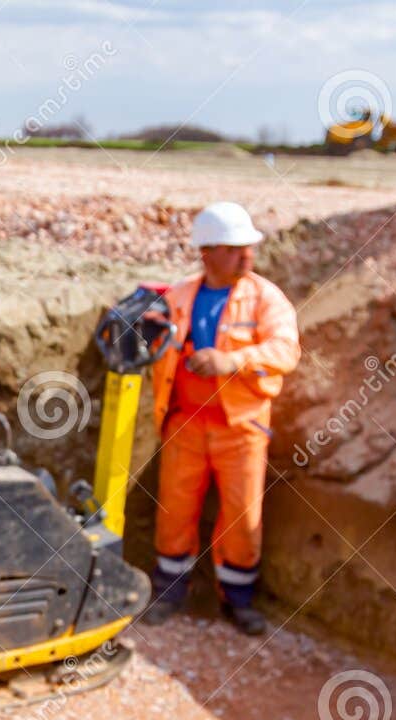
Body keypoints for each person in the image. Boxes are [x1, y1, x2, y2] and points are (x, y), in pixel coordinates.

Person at [144, 203, 300, 637]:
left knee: (242, 517)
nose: (247, 258)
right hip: (185, 422)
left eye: (249, 249)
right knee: (174, 511)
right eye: (236, 250)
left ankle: (238, 601)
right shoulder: (178, 296)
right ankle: (169, 591)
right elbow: (154, 333)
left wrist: (231, 360)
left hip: (241, 424)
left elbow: (286, 350)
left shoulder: (265, 297)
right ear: (207, 252)